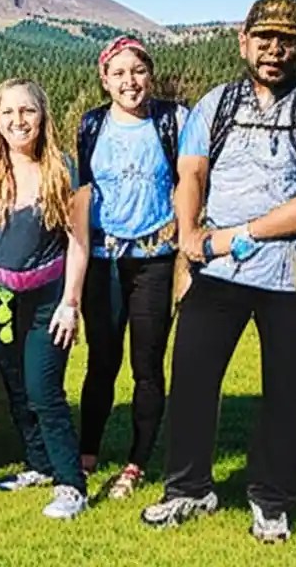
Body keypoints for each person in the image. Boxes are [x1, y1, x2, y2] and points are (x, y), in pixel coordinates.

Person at [141, 0, 296, 543]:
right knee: (191, 380)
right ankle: (188, 490)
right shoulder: (216, 103)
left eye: (286, 40)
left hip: (292, 273)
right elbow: (191, 174)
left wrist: (243, 234)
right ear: (244, 41)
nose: (274, 50)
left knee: (287, 391)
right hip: (215, 271)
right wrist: (190, 238)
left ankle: (272, 501)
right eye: (264, 39)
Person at [0, 79, 89, 519]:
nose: (18, 121)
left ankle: (71, 483)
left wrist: (70, 303)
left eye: (28, 111)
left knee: (44, 390)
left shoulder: (63, 170)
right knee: (16, 385)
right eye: (8, 113)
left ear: (43, 116)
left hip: (48, 298)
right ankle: (38, 464)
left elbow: (78, 242)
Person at [75, 36, 188, 498]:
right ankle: (86, 454)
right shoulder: (91, 124)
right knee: (102, 362)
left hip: (155, 260)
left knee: (147, 364)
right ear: (105, 79)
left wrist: (186, 256)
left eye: (137, 71)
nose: (129, 82)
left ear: (150, 74)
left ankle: (137, 462)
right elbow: (82, 193)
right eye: (118, 73)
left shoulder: (172, 120)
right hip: (104, 260)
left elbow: (192, 184)